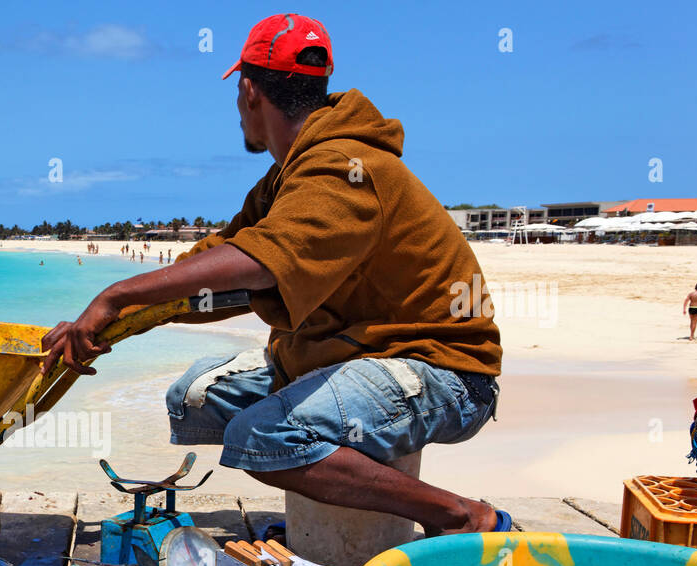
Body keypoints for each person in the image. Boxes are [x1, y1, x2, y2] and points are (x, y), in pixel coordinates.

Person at [41, 13, 506, 537]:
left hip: (443, 373)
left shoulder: (345, 168)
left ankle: (464, 516)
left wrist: (116, 291)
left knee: (262, 437)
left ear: (248, 91)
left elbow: (264, 258)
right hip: (352, 353)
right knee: (194, 398)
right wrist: (118, 320)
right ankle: (332, 486)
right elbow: (220, 263)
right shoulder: (289, 177)